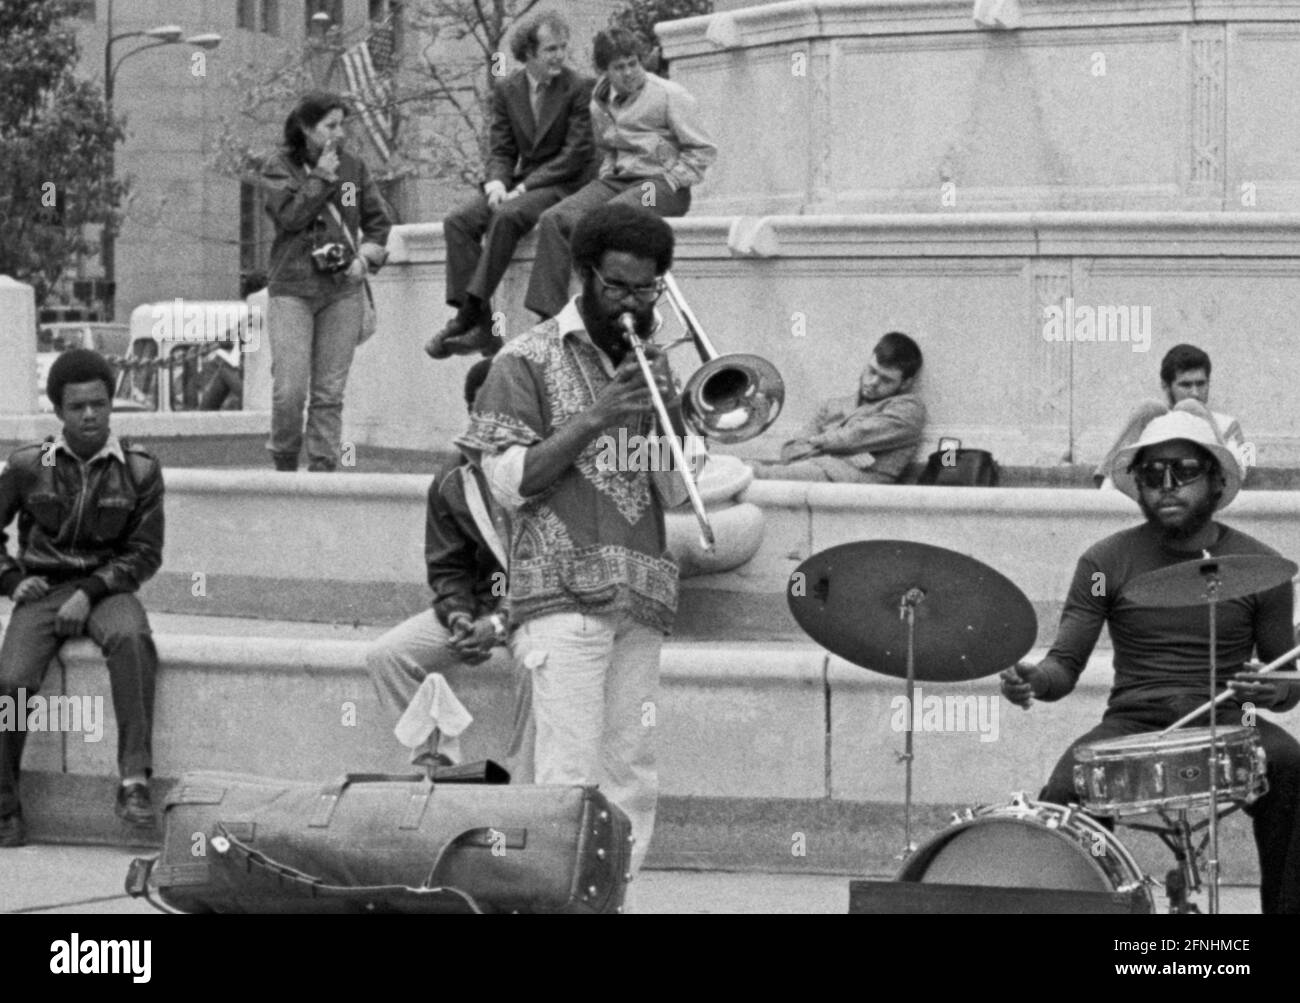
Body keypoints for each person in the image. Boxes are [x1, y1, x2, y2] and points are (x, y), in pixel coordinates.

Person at [456, 203, 701, 875]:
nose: (632, 303)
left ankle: (609, 897)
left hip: (641, 596)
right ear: (584, 276)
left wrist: (667, 411)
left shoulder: (651, 367)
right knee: (568, 772)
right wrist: (597, 417)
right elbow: (511, 480)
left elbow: (678, 491)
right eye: (617, 286)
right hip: (560, 596)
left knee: (633, 772)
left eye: (646, 288)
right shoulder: (524, 360)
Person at [1001, 409, 1300, 914]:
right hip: (1132, 721)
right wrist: (1034, 679)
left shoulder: (1264, 569)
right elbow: (1064, 665)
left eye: (1183, 471)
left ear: (1216, 479)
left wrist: (1274, 692)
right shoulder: (1102, 564)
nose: (1167, 485)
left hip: (1229, 719)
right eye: (1152, 475)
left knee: (1293, 768)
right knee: (1064, 793)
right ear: (1137, 486)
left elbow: (1287, 681)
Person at [0, 350, 166, 847]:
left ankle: (134, 782)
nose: (90, 415)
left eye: (99, 404)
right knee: (10, 682)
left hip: (107, 587)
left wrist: (91, 591)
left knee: (133, 642)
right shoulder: (32, 463)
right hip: (44, 587)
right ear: (59, 413)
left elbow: (145, 553)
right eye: (77, 408)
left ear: (112, 405)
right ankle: (5, 807)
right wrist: (10, 581)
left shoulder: (138, 469)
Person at [366, 360, 527, 773]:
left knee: (536, 662)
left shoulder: (544, 464)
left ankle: (527, 779)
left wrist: (499, 624)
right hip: (479, 606)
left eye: (503, 410)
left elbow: (548, 565)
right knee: (388, 656)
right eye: (481, 410)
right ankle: (437, 763)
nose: (492, 423)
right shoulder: (450, 477)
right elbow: (448, 566)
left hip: (538, 607)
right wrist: (458, 616)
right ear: (471, 410)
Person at [426, 12, 596, 359]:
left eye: (563, 48)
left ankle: (467, 315)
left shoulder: (578, 88)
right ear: (528, 53)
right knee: (458, 221)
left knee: (506, 216)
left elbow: (576, 153)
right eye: (551, 49)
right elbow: (501, 148)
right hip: (522, 181)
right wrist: (496, 182)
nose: (559, 56)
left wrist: (525, 186)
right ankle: (485, 326)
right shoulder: (507, 89)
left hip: (562, 183)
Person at [523, 28, 717, 320]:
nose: (628, 73)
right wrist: (604, 178)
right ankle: (548, 316)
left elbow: (703, 151)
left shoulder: (668, 95)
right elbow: (608, 148)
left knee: (611, 219)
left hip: (661, 186)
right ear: (605, 71)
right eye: (619, 67)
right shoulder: (599, 101)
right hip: (618, 180)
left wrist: (671, 179)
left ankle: (605, 307)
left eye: (633, 63)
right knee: (556, 218)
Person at [260, 91, 392, 472]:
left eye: (342, 125)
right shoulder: (278, 166)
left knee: (329, 392)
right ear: (305, 128)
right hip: (293, 289)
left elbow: (377, 220)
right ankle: (284, 460)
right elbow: (290, 216)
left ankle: (323, 469)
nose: (339, 134)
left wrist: (365, 259)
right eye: (330, 126)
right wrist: (321, 177)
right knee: (290, 390)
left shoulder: (353, 169)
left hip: (341, 290)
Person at [751, 332, 926, 483]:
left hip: (858, 486)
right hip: (814, 474)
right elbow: (790, 451)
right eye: (872, 371)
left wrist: (815, 442)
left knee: (758, 474)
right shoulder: (832, 406)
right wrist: (841, 452)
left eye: (886, 380)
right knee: (757, 474)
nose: (873, 383)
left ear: (905, 384)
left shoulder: (909, 408)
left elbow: (855, 437)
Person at [1095, 343, 1247, 488]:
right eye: (1185, 385)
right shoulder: (1149, 418)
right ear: (1165, 386)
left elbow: (1239, 476)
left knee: (1190, 407)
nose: (1195, 392)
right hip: (1149, 493)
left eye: (1201, 384)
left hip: (1206, 494)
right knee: (1148, 408)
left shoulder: (1228, 425)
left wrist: (1201, 417)